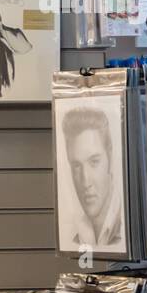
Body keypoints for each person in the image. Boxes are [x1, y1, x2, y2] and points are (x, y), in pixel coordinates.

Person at [61, 105, 124, 249]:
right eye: (77, 166)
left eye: (94, 162)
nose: (85, 181)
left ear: (110, 159)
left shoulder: (126, 228)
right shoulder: (76, 235)